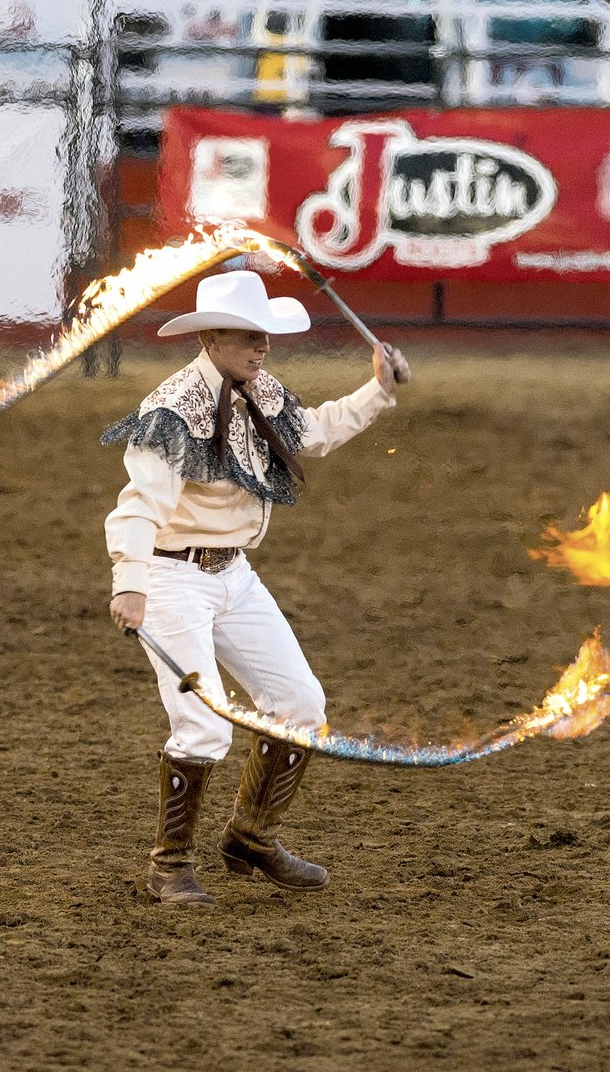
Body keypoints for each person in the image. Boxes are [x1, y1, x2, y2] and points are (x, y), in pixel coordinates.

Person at [102, 270, 410, 905]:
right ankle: (169, 865)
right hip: (170, 577)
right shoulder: (172, 411)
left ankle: (250, 837)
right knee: (203, 724)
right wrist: (129, 584)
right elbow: (136, 508)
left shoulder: (259, 390)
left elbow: (314, 431)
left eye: (263, 335)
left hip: (232, 574)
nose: (261, 346)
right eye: (247, 336)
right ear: (211, 338)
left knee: (300, 705)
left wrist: (376, 391)